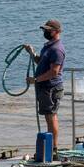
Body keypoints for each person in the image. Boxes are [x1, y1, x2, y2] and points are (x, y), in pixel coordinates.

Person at [24, 19, 65, 154]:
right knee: (48, 116)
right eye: (44, 30)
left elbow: (54, 72)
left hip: (51, 87)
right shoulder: (48, 46)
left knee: (51, 116)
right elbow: (41, 62)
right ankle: (50, 148)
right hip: (45, 87)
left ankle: (53, 149)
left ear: (57, 31)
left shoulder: (57, 49)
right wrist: (32, 53)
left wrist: (35, 80)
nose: (45, 32)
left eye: (48, 30)